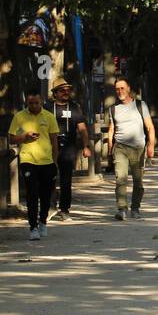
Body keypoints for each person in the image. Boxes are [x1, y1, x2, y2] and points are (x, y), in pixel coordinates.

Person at [8, 88, 61, 240]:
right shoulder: (19, 117)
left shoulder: (49, 117)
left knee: (46, 194)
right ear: (27, 102)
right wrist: (23, 136)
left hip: (47, 161)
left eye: (36, 103)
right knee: (32, 194)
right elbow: (11, 138)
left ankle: (43, 221)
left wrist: (55, 160)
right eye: (31, 103)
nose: (34, 106)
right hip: (28, 160)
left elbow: (54, 140)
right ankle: (33, 227)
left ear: (42, 101)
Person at [106, 78, 155, 219]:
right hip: (120, 147)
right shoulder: (113, 109)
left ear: (128, 89)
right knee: (120, 179)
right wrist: (110, 150)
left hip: (138, 148)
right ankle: (122, 209)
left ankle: (135, 208)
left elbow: (150, 127)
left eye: (122, 88)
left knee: (138, 181)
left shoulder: (140, 105)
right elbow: (111, 130)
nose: (119, 91)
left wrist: (151, 145)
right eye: (117, 89)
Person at [46, 78, 91, 222]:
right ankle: (50, 206)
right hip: (49, 147)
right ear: (55, 93)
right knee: (48, 178)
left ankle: (64, 209)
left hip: (68, 147)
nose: (66, 92)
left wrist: (86, 146)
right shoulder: (47, 107)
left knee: (66, 180)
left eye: (68, 90)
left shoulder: (74, 107)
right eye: (62, 90)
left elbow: (82, 128)